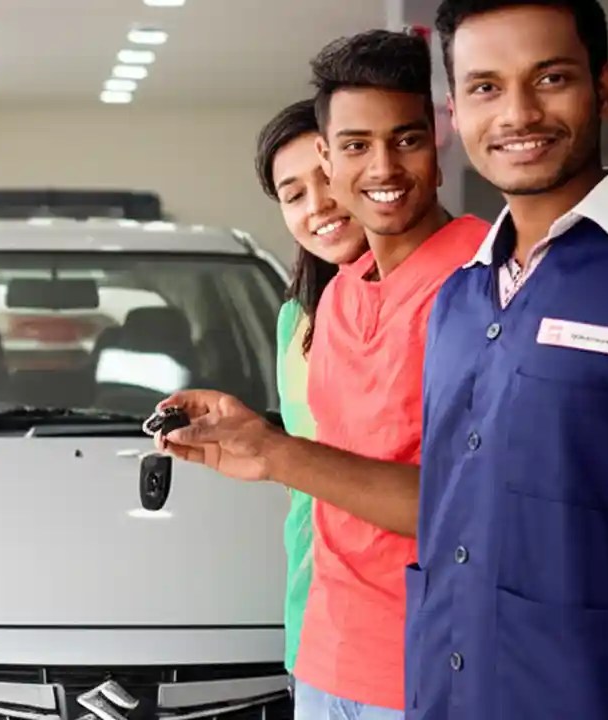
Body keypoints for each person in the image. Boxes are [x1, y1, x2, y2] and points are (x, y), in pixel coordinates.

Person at [155, 30, 489, 719]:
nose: (382, 168)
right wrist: (257, 444)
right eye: (357, 146)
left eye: (406, 139)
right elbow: (331, 482)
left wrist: (274, 452)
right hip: (326, 659)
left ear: (441, 138)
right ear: (333, 158)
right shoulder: (336, 297)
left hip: (430, 668)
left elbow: (462, 511)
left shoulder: (484, 281)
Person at [403, 1, 608, 718]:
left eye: (550, 78)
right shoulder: (458, 299)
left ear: (604, 88)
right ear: (456, 114)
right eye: (487, 88)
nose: (518, 113)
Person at [253, 98, 368, 684]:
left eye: (328, 180)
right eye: (293, 194)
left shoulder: (441, 294)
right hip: (314, 619)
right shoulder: (294, 320)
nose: (318, 205)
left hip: (399, 630)